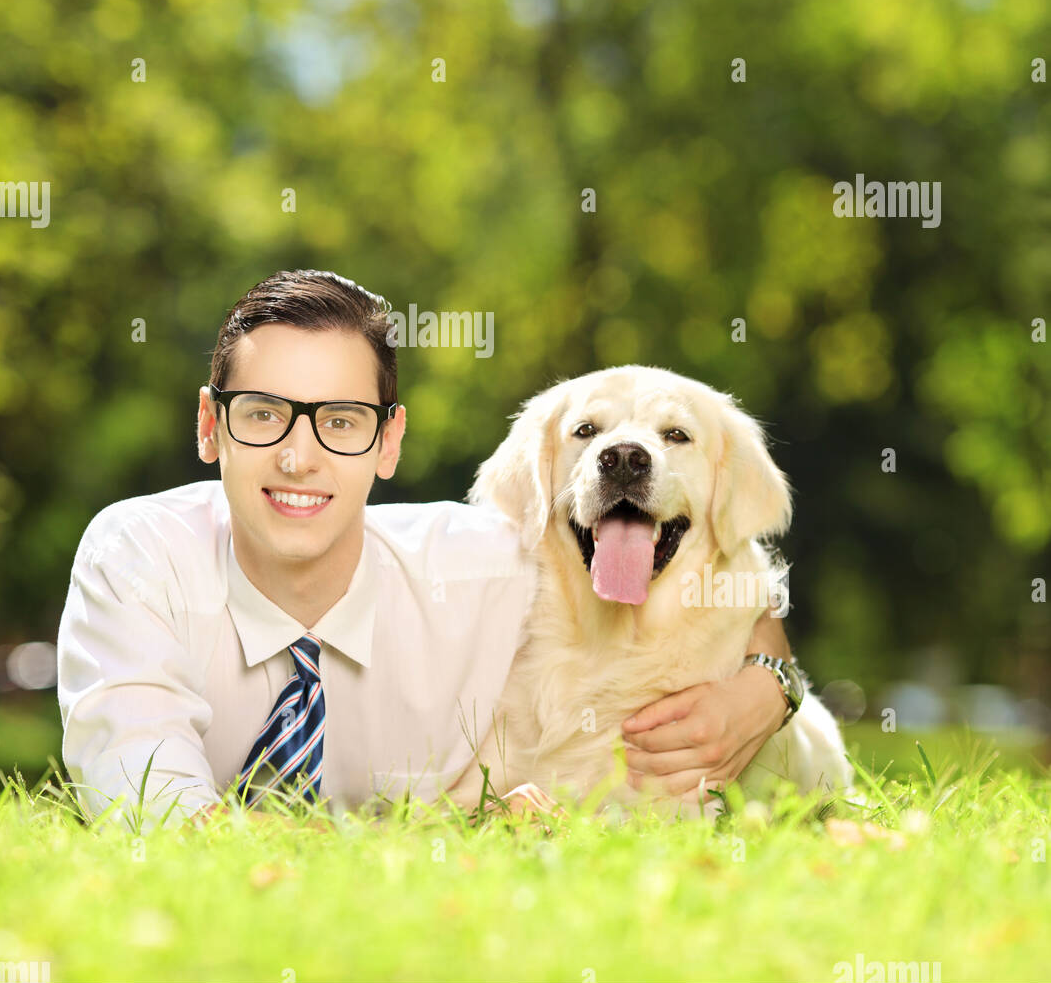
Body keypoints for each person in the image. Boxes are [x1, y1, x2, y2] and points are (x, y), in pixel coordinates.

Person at [57, 269, 798, 832]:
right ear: (209, 426)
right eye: (263, 415)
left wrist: (766, 686)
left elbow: (714, 564)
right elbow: (150, 814)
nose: (297, 457)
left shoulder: (484, 565)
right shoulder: (138, 562)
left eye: (340, 422)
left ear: (389, 441)